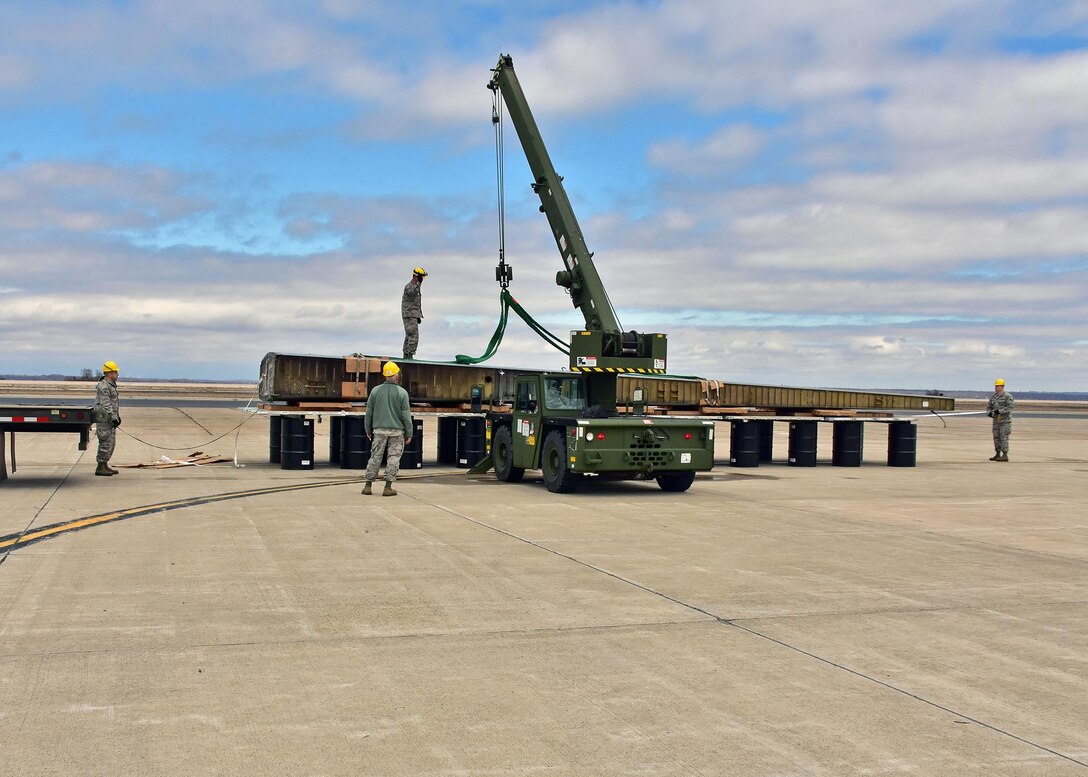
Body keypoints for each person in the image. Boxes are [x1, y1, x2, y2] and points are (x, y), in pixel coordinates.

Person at [362, 361, 414, 496]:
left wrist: (368, 429)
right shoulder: (402, 393)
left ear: (385, 375)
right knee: (393, 458)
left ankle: (368, 486)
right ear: (397, 375)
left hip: (379, 430)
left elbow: (369, 412)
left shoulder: (375, 390)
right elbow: (406, 415)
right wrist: (409, 432)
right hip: (397, 432)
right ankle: (388, 487)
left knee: (375, 457)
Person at [94, 360, 122, 476]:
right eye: (115, 372)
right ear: (109, 373)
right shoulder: (104, 386)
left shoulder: (110, 385)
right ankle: (100, 467)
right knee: (105, 442)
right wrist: (113, 417)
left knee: (110, 442)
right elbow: (106, 404)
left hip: (109, 419)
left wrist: (116, 417)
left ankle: (104, 464)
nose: (117, 374)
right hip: (105, 419)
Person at [402, 266, 427, 360]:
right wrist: (418, 283)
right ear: (415, 277)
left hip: (412, 314)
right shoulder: (410, 286)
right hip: (409, 315)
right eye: (420, 278)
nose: (422, 281)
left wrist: (418, 315)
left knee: (409, 335)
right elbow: (412, 293)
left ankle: (407, 356)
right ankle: (409, 356)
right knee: (413, 336)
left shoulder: (415, 286)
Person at [986, 378, 1014, 462]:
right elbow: (989, 407)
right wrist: (989, 413)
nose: (996, 387)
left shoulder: (1007, 396)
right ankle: (997, 453)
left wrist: (999, 412)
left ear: (1002, 386)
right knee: (996, 437)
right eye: (996, 386)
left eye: (998, 386)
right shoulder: (994, 397)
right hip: (996, 421)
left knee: (1003, 438)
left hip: (1004, 421)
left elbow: (1010, 407)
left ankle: (1005, 455)